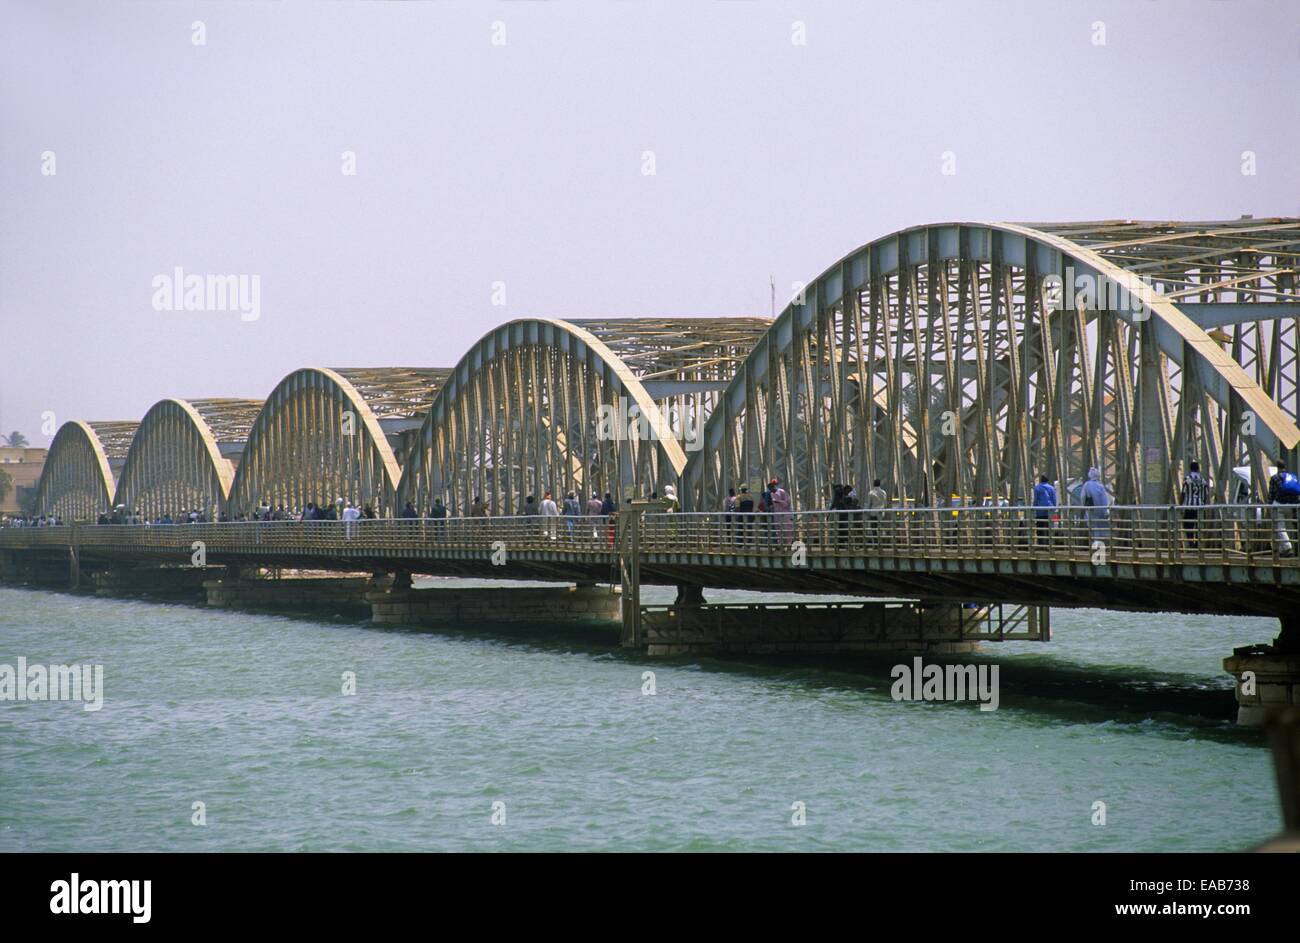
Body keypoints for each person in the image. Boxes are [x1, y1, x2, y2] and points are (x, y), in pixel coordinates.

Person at [1267, 460, 1300, 558]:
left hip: (1280, 505)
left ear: (1277, 467)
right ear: (1285, 467)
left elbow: (1271, 493)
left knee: (1280, 527)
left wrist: (1269, 505)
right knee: (1289, 527)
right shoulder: (1292, 477)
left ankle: (1287, 547)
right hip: (1291, 505)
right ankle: (1283, 550)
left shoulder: (1275, 478)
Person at [1180, 461, 1209, 548]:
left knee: (1188, 526)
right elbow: (1206, 494)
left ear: (1190, 468)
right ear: (1198, 469)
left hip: (1189, 506)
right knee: (1199, 526)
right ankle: (1197, 544)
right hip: (1200, 506)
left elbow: (1183, 493)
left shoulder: (1187, 479)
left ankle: (1191, 544)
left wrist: (1181, 505)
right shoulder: (1203, 480)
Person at [1081, 466, 1111, 544]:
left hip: (1090, 510)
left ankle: (1093, 543)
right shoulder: (1100, 486)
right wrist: (1105, 511)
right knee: (1100, 526)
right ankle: (1100, 543)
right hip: (1100, 510)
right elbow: (1104, 500)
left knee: (1092, 526)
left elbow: (1083, 497)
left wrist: (1083, 507)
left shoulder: (1086, 485)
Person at [1032, 474, 1057, 544]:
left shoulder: (1037, 488)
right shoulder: (1052, 488)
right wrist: (1054, 508)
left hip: (1040, 511)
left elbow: (1035, 500)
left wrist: (1034, 509)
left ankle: (1041, 544)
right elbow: (1054, 499)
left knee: (1040, 528)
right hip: (1050, 510)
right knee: (1050, 528)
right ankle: (1050, 543)